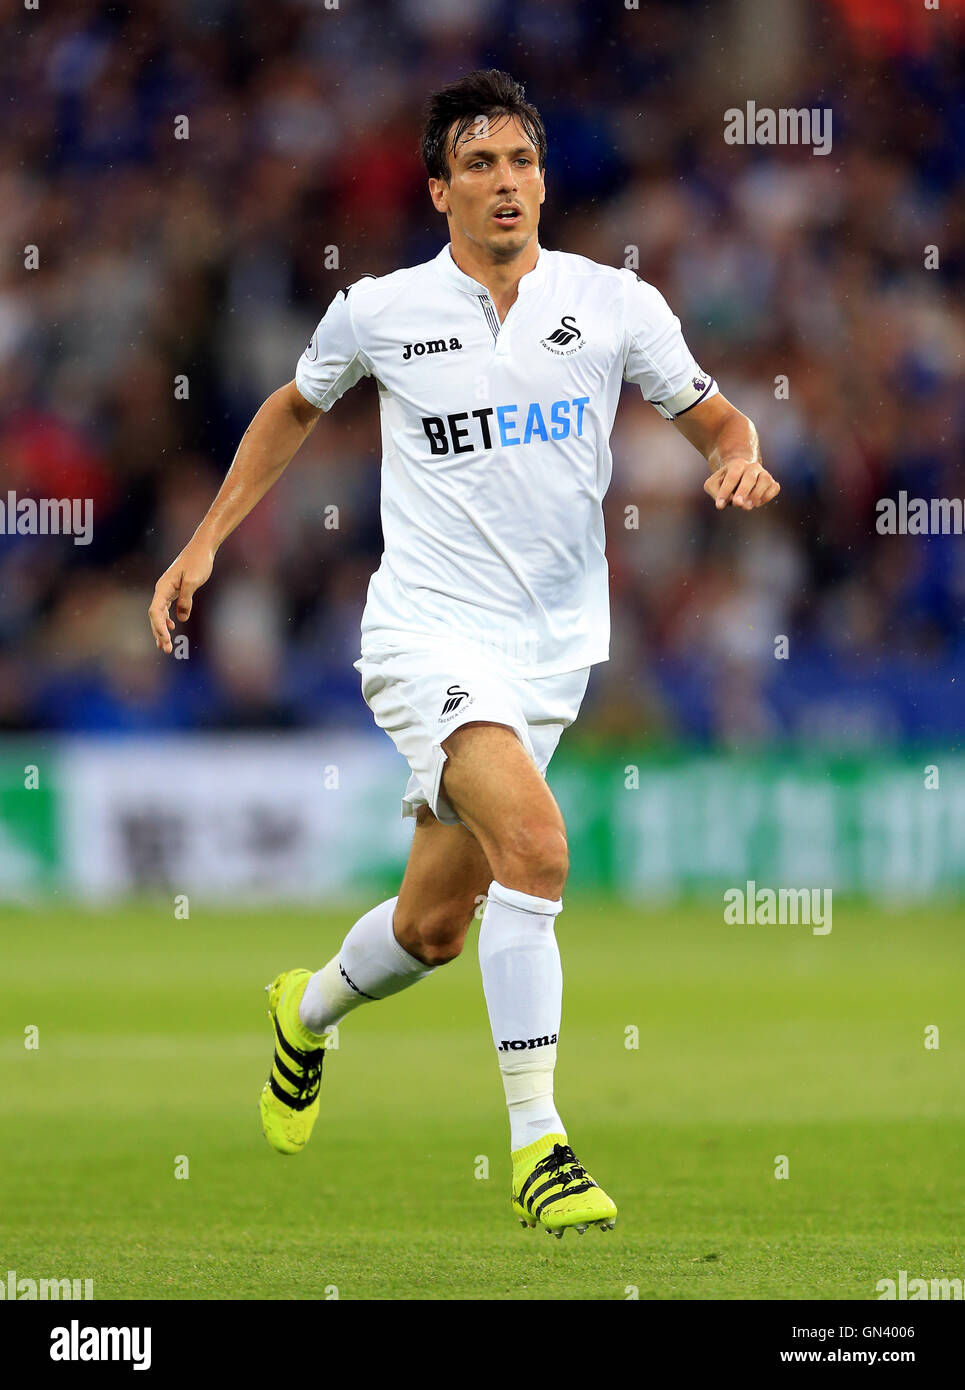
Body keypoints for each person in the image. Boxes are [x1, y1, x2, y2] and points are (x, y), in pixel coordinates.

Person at [148, 69, 780, 1238]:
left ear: (543, 180)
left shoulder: (615, 304)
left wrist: (731, 457)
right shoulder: (380, 310)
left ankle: (304, 1011)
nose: (505, 183)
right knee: (538, 848)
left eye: (522, 162)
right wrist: (202, 546)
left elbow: (717, 417)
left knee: (435, 926)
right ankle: (537, 1144)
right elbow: (292, 407)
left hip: (548, 656)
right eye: (479, 165)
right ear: (437, 188)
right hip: (423, 634)